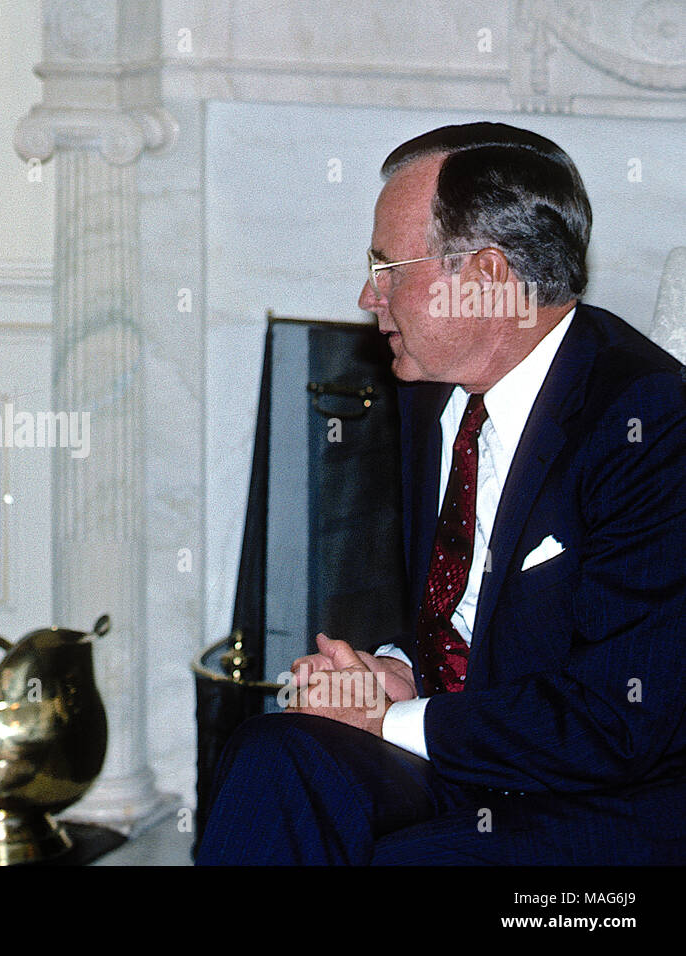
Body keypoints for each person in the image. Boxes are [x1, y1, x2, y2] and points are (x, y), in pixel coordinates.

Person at [197, 122, 686, 865]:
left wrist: (391, 718)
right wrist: (397, 667)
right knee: (277, 754)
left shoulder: (648, 422)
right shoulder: (432, 395)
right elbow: (476, 609)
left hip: (614, 800)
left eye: (390, 265)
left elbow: (619, 719)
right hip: (477, 753)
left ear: (488, 277)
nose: (368, 295)